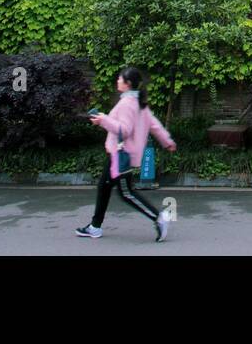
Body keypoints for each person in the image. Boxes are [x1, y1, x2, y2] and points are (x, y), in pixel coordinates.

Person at [76, 67, 177, 242]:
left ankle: (159, 218)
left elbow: (124, 129)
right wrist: (167, 141)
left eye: (120, 79)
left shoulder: (127, 104)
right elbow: (154, 124)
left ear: (128, 83)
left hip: (120, 155)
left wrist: (103, 120)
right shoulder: (138, 102)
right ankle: (95, 227)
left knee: (126, 193)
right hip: (119, 154)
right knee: (104, 187)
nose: (117, 81)